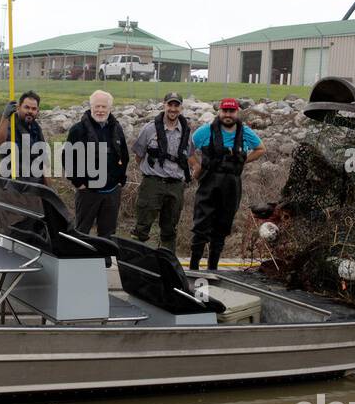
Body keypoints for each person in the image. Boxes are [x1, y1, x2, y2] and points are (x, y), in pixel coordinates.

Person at [188, 98, 265, 271]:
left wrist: (243, 161)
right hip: (209, 183)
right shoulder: (206, 131)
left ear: (237, 113)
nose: (228, 115)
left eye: (231, 111)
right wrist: (196, 165)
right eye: (225, 111)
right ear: (220, 112)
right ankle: (193, 267)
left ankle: (213, 268)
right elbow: (188, 149)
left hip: (231, 185)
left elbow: (261, 149)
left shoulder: (244, 132)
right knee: (201, 226)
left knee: (222, 227)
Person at [130, 91, 192, 254]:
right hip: (153, 183)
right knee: (142, 227)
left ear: (181, 108)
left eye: (176, 105)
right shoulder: (149, 129)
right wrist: (150, 173)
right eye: (169, 104)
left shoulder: (186, 131)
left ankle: (166, 263)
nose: (173, 109)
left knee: (170, 229)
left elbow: (189, 157)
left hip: (176, 186)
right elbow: (139, 155)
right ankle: (137, 261)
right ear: (164, 105)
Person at [63, 89, 129, 237]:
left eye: (103, 107)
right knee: (81, 233)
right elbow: (67, 158)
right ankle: (81, 260)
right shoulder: (77, 130)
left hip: (112, 192)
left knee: (108, 235)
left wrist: (120, 181)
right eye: (97, 106)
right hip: (88, 193)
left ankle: (105, 261)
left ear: (109, 108)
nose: (100, 110)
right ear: (91, 107)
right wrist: (78, 183)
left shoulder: (117, 128)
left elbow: (124, 156)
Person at [0, 90, 51, 186]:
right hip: (13, 185)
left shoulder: (36, 128)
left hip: (34, 186)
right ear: (18, 108)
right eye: (26, 107)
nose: (30, 111)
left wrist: (50, 190)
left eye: (33, 109)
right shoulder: (9, 124)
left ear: (37, 111)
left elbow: (43, 160)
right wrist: (5, 117)